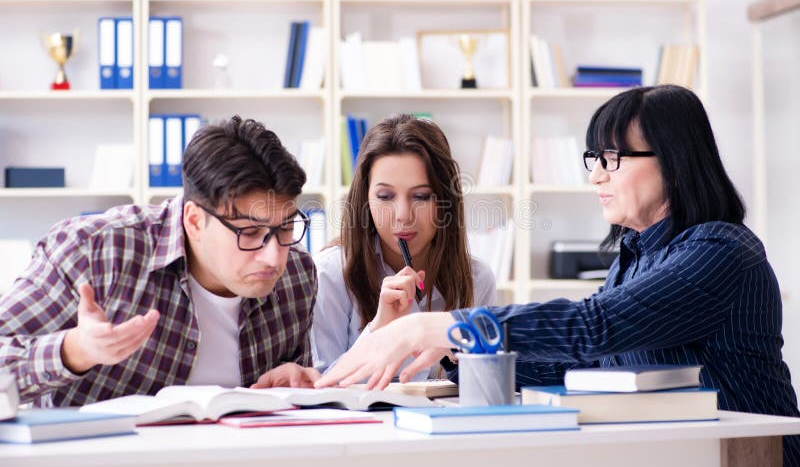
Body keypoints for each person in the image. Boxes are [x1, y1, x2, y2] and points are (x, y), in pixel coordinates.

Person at [316, 86, 800, 464]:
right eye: (594, 160)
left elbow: (593, 327)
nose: (595, 176)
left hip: (747, 458)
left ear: (673, 162)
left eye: (612, 160)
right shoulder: (636, 256)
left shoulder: (720, 252)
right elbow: (583, 369)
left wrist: (438, 326)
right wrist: (451, 357)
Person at [0, 116, 321, 407]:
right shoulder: (95, 251)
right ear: (194, 220)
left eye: (286, 227)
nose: (274, 256)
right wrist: (73, 351)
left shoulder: (297, 275)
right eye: (250, 232)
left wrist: (293, 383)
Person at [311, 114, 496, 379]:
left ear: (445, 203)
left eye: (421, 196)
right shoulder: (330, 273)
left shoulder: (477, 279)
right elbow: (320, 389)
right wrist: (379, 327)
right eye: (385, 196)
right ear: (365, 200)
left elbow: (484, 385)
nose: (403, 215)